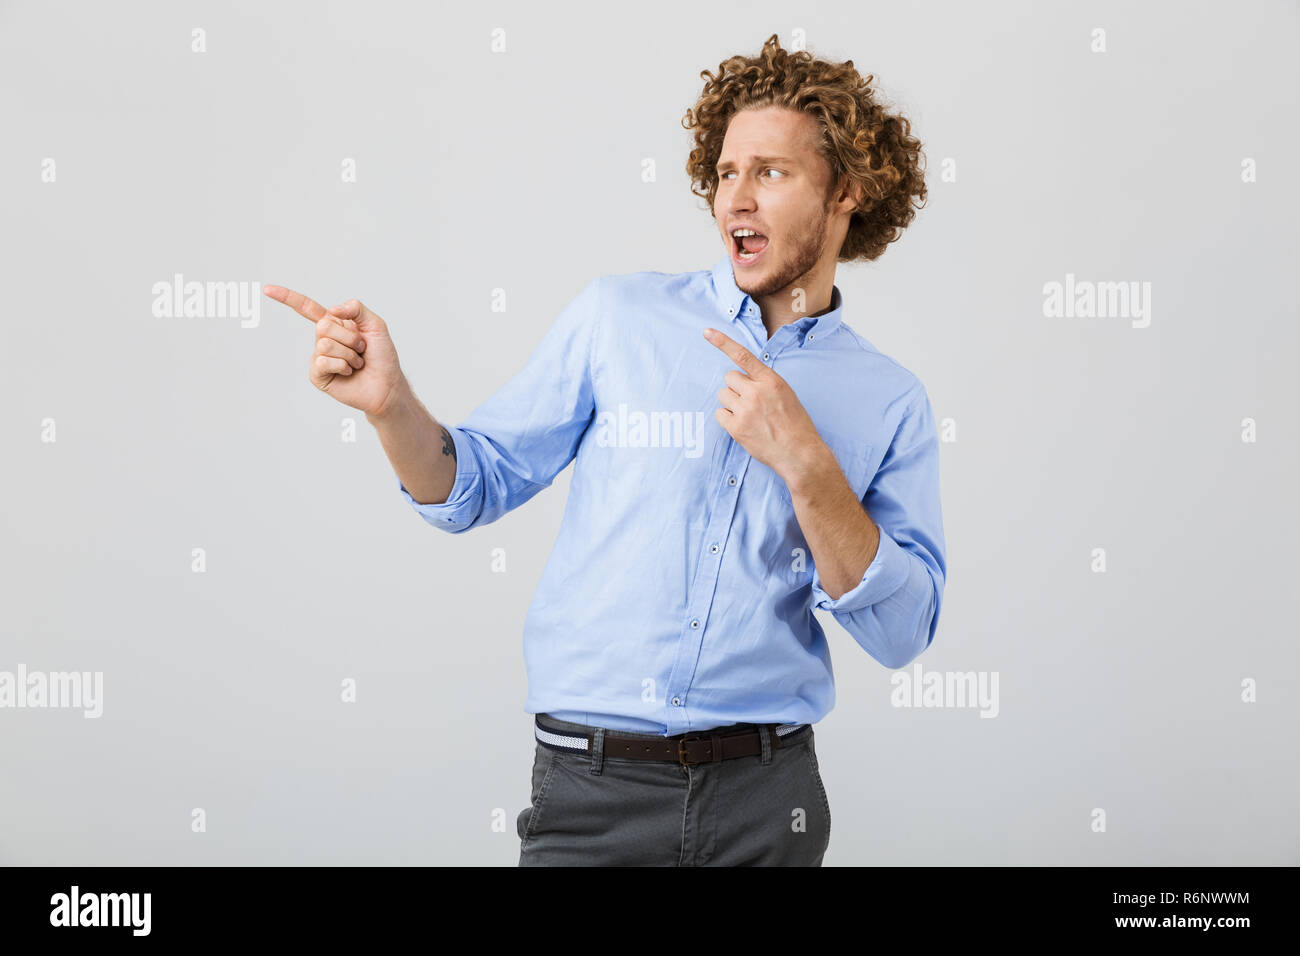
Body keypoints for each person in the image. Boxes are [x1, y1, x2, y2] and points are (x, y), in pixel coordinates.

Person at [264, 34, 945, 866]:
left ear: (847, 190)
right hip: (590, 793)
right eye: (726, 173)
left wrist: (808, 467)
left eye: (770, 173)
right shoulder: (617, 319)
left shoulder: (890, 399)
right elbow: (470, 483)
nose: (737, 198)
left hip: (769, 802)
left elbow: (904, 630)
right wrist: (390, 407)